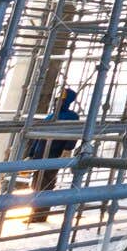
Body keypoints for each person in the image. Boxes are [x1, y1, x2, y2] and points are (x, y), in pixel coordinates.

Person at [24, 88, 79, 224]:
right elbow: (38, 136)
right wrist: (31, 153)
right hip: (40, 153)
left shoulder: (71, 117)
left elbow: (74, 133)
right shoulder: (51, 116)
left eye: (60, 100)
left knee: (46, 183)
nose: (57, 103)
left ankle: (40, 214)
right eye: (56, 100)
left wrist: (67, 150)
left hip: (54, 154)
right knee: (36, 183)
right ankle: (34, 211)